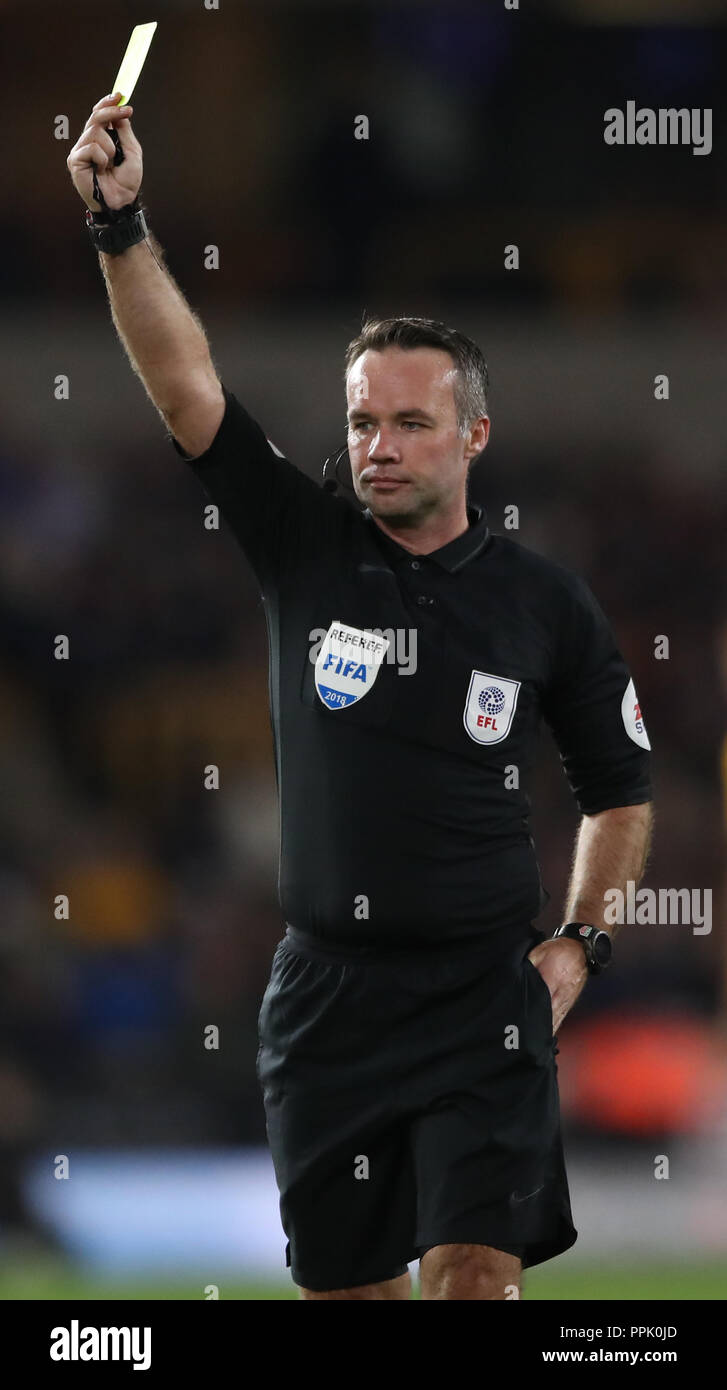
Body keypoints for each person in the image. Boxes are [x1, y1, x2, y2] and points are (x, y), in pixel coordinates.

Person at [67, 95, 654, 1301]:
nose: (378, 445)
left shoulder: (543, 604)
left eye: (409, 422)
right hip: (328, 995)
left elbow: (620, 789)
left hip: (484, 993)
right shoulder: (306, 544)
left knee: (473, 1282)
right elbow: (185, 387)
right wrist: (121, 228)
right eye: (361, 422)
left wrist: (582, 944)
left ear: (473, 434)